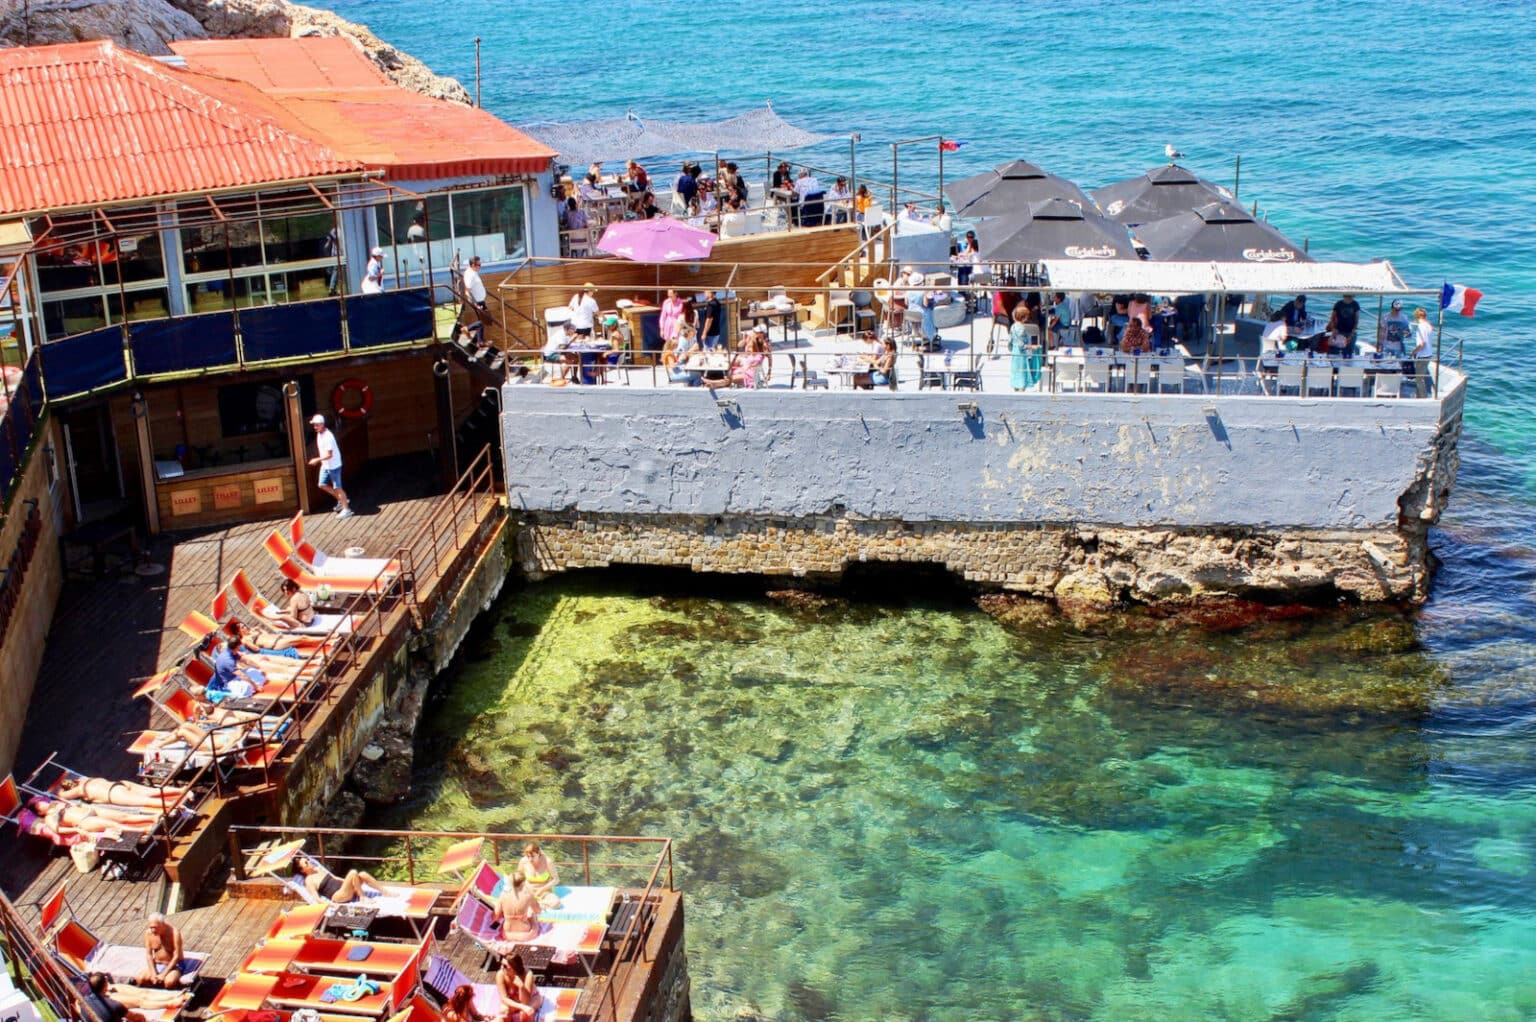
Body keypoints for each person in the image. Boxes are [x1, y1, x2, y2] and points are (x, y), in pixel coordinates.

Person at [307, 414, 352, 518]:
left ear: (322, 424)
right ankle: (341, 500)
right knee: (322, 484)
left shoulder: (328, 437)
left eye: (317, 425)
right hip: (326, 465)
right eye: (314, 425)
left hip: (334, 465)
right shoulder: (319, 434)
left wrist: (316, 460)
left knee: (337, 488)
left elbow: (329, 454)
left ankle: (347, 509)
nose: (315, 427)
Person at [294, 856, 388, 904]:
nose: (309, 862)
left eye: (307, 860)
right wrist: (330, 905)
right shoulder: (309, 881)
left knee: (362, 874)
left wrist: (350, 882)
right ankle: (363, 897)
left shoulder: (318, 869)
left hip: (345, 889)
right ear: (303, 870)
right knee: (353, 872)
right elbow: (316, 898)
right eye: (306, 863)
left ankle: (385, 892)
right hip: (339, 896)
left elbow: (334, 878)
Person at [59, 777, 188, 809]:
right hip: (119, 784)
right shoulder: (86, 780)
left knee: (147, 801)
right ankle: (181, 790)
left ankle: (175, 805)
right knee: (152, 792)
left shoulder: (79, 790)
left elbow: (61, 795)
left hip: (113, 794)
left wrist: (62, 790)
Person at [135, 913, 184, 989]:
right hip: (157, 964)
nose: (153, 930)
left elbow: (176, 956)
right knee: (140, 979)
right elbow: (149, 955)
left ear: (162, 924)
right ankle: (150, 995)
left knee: (169, 982)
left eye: (155, 927)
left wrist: (163, 974)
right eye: (151, 927)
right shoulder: (148, 933)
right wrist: (153, 973)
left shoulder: (174, 933)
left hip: (174, 966)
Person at [491, 872, 541, 941]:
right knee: (532, 915)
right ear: (523, 883)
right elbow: (538, 911)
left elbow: (495, 917)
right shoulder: (528, 896)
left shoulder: (503, 896)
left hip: (507, 935)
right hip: (526, 934)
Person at [495, 954, 541, 1022]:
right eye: (501, 964)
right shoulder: (500, 974)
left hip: (531, 998)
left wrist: (521, 987)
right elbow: (504, 998)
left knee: (526, 1014)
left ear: (513, 968)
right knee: (504, 1013)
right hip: (512, 1000)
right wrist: (521, 1007)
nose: (501, 967)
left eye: (504, 966)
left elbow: (526, 1001)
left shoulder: (528, 974)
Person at [1009, 303, 1041, 391]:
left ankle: (1016, 389)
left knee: (1015, 371)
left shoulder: (1013, 327)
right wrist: (1032, 347)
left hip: (1014, 352)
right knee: (1022, 373)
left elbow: (1010, 341)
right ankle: (1022, 391)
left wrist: (1011, 348)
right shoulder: (1022, 328)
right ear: (1023, 317)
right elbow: (1022, 345)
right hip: (1021, 354)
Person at [460, 255, 489, 348]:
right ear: (473, 265)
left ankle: (480, 341)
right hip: (477, 301)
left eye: (480, 264)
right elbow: (467, 291)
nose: (480, 266)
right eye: (478, 264)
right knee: (482, 321)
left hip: (480, 300)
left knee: (484, 320)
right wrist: (475, 304)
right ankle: (467, 329)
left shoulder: (472, 271)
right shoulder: (470, 275)